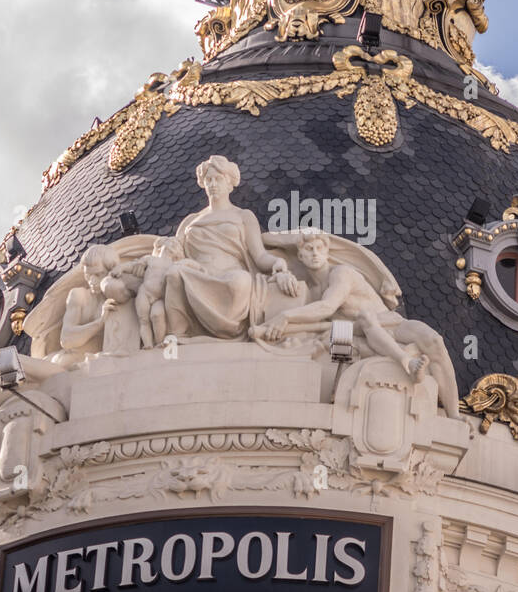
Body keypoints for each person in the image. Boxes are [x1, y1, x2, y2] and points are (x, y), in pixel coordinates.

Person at [258, 230, 460, 418]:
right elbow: (264, 238)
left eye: (320, 248)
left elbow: (327, 307)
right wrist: (285, 261)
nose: (315, 254)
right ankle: (407, 362)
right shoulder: (310, 289)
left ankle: (454, 416)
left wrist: (285, 316)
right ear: (299, 255)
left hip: (388, 323)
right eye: (308, 250)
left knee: (434, 340)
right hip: (349, 335)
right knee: (360, 322)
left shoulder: (341, 273)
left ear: (328, 251)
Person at [163, 157, 298, 340]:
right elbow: (169, 255)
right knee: (173, 273)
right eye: (208, 180)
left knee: (240, 281)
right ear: (203, 183)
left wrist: (278, 263)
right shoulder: (190, 222)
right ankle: (176, 335)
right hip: (197, 270)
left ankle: (227, 329)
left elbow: (259, 256)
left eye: (218, 179)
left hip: (230, 272)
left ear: (229, 183)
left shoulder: (243, 216)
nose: (213, 184)